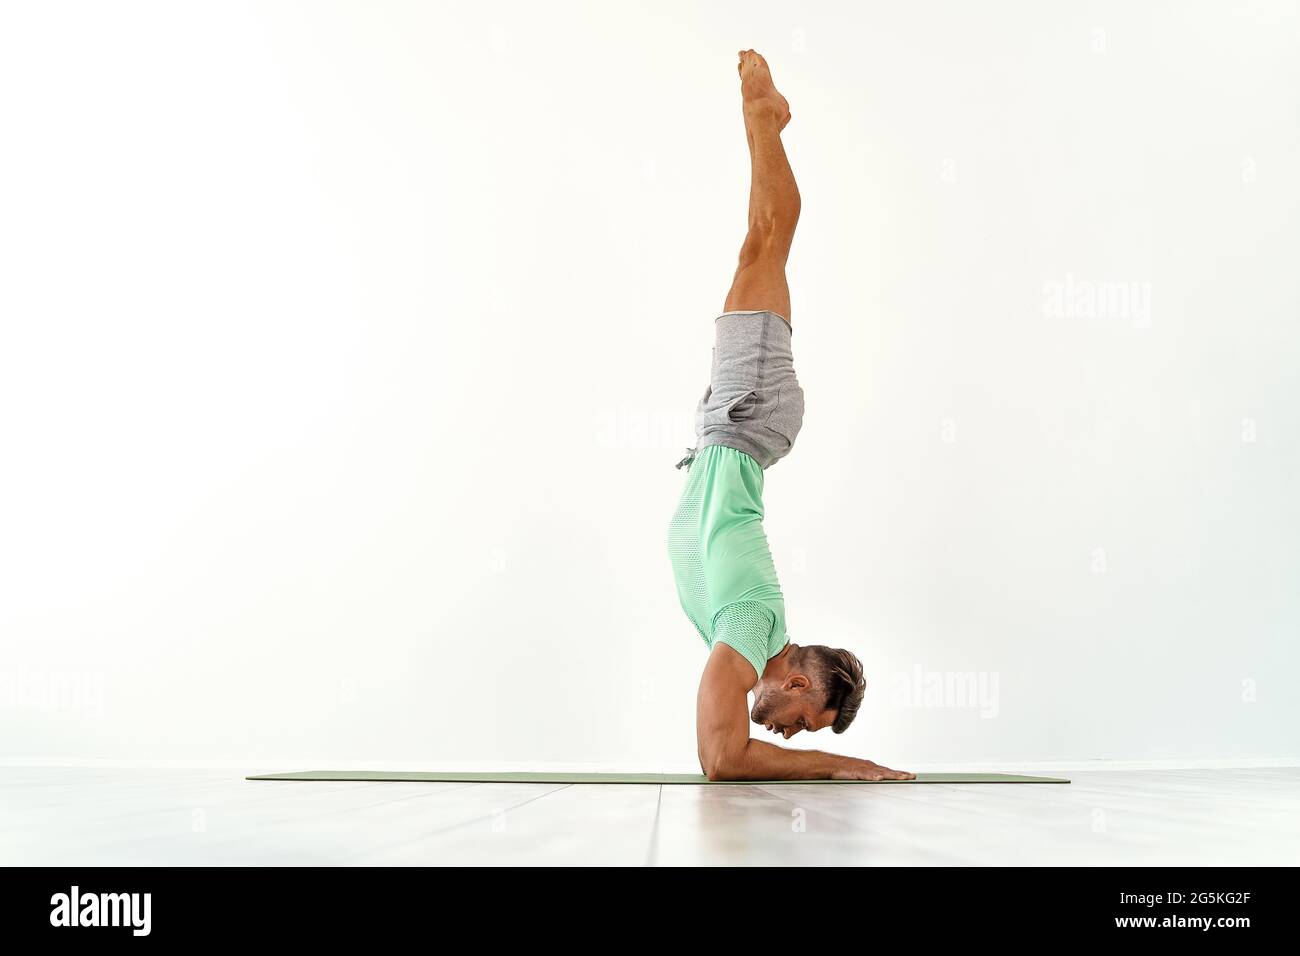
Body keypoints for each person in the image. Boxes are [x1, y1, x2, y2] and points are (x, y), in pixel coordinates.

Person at [667, 50, 914, 782]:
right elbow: (722, 760)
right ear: (797, 684)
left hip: (731, 427)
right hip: (748, 420)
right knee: (766, 239)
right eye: (803, 723)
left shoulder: (744, 635)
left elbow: (723, 755)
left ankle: (763, 123)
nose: (791, 734)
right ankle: (765, 119)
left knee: (758, 242)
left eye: (804, 737)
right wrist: (843, 770)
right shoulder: (748, 631)